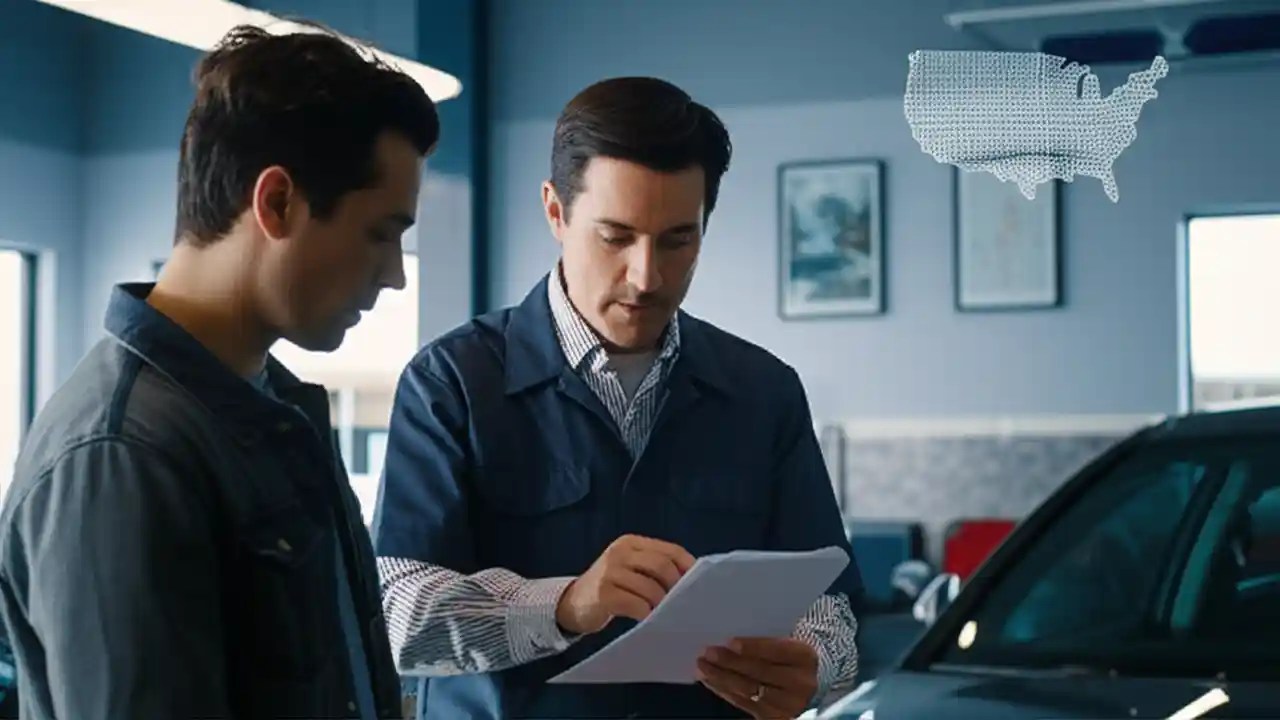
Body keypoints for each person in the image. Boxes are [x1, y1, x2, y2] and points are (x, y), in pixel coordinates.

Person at [373, 77, 862, 720]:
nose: (646, 275)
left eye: (678, 239)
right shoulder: (451, 384)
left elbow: (832, 606)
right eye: (615, 236)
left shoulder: (764, 392)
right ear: (556, 212)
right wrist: (567, 602)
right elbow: (392, 615)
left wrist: (819, 664)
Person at [0, 24, 438, 719]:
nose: (392, 277)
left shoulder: (278, 412)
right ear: (277, 203)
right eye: (380, 234)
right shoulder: (124, 457)